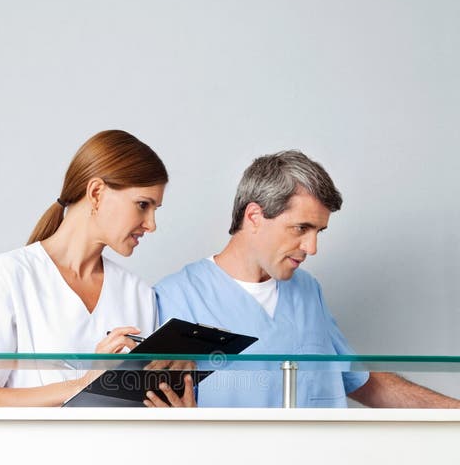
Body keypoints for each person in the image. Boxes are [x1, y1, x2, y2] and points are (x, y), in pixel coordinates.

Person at [155, 150, 459, 408]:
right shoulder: (175, 298)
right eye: (301, 228)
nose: (312, 248)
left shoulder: (307, 290)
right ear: (254, 217)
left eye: (319, 232)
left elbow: (358, 379)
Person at [0, 129, 194, 407]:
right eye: (142, 205)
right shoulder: (6, 276)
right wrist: (83, 385)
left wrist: (174, 406)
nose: (151, 224)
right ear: (97, 192)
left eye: (155, 210)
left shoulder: (137, 292)